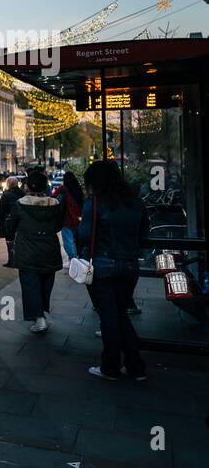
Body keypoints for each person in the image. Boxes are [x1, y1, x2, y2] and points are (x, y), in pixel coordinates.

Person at [77, 161, 148, 381]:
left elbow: (85, 234)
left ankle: (111, 366)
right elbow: (144, 234)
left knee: (108, 316)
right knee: (120, 315)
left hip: (103, 265)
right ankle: (135, 366)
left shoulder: (94, 203)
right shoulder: (135, 202)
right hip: (130, 265)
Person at [2, 170, 64, 334]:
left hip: (27, 250)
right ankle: (43, 311)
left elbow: (10, 226)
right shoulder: (55, 203)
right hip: (49, 249)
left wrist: (12, 235)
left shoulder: (20, 204)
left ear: (28, 186)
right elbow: (58, 225)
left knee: (30, 284)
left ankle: (38, 318)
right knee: (46, 283)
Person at [0, 175, 25, 266]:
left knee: (10, 243)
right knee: (20, 242)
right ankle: (19, 260)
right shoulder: (23, 194)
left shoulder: (6, 195)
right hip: (21, 222)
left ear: (8, 184)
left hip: (8, 223)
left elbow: (0, 211)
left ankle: (12, 261)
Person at [54, 171, 84, 262]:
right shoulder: (78, 190)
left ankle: (74, 260)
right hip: (78, 219)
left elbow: (53, 198)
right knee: (77, 239)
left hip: (66, 219)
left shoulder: (62, 190)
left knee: (68, 241)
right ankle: (79, 257)